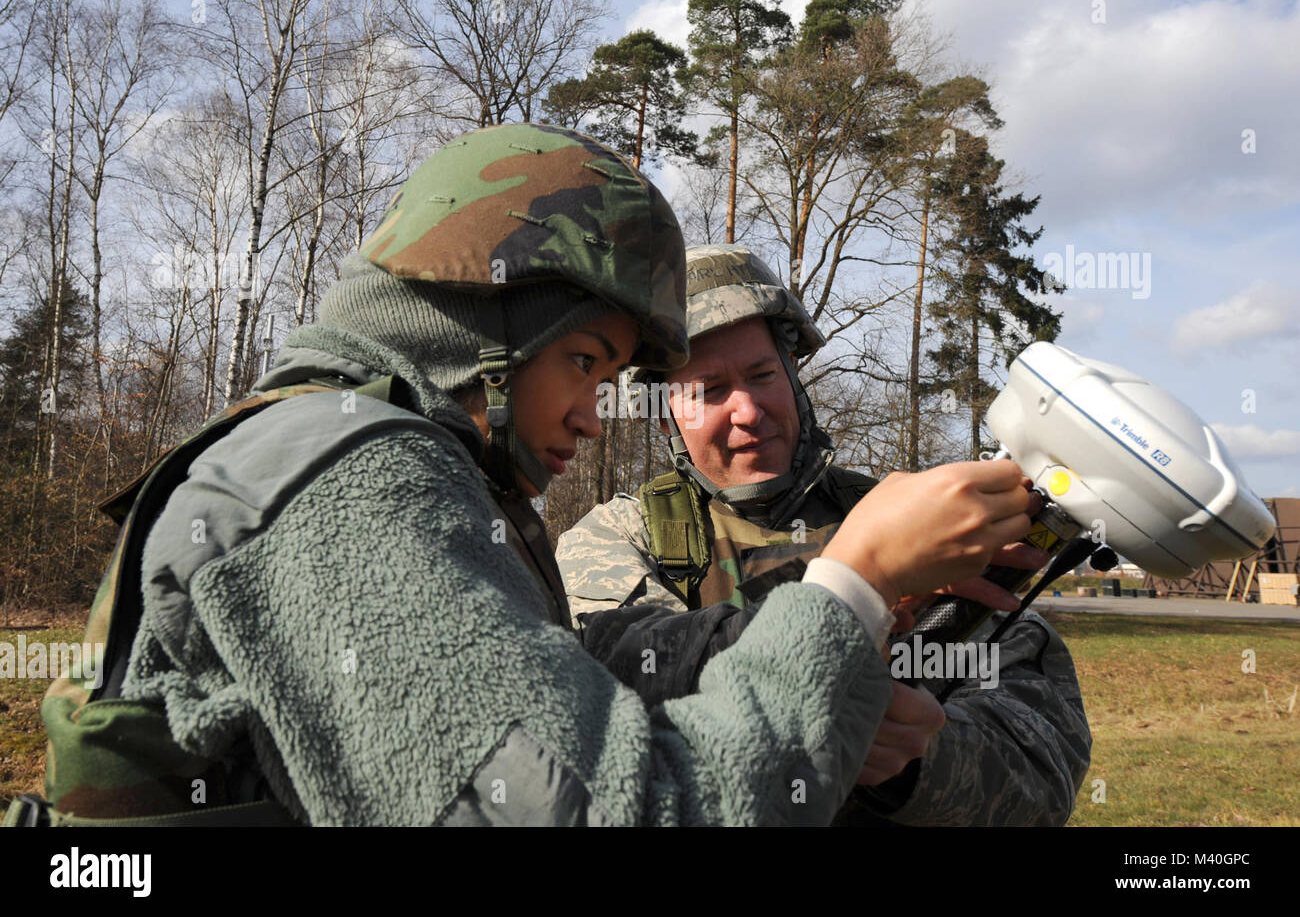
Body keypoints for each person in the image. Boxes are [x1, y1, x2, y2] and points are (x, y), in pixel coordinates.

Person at [14, 125, 1037, 828]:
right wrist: (849, 582)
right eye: (586, 360)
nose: (595, 415)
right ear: (488, 328)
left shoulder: (329, 451)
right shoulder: (347, 483)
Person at [556, 244, 1092, 826]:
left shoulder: (916, 520)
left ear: (792, 377)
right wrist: (853, 600)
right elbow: (593, 707)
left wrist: (919, 760)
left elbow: (1046, 767)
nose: (747, 411)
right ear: (665, 417)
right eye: (709, 390)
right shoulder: (617, 538)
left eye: (762, 375)